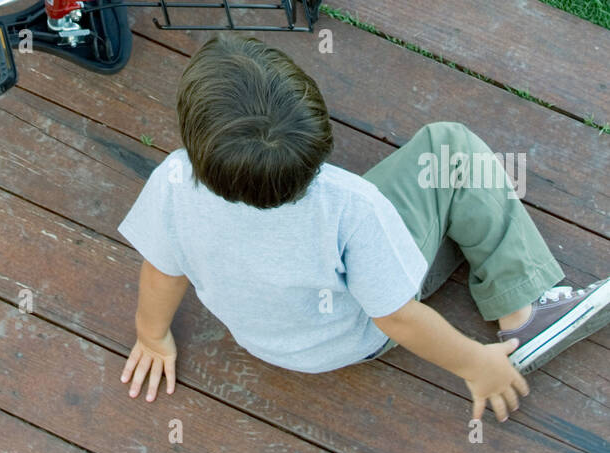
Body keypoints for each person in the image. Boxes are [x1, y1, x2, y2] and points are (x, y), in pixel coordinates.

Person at [118, 34, 610, 422]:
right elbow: (396, 318)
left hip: (270, 342)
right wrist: (475, 364)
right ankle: (525, 314)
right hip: (356, 334)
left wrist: (151, 337)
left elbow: (163, 271)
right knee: (450, 149)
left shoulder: (174, 181)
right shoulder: (351, 205)